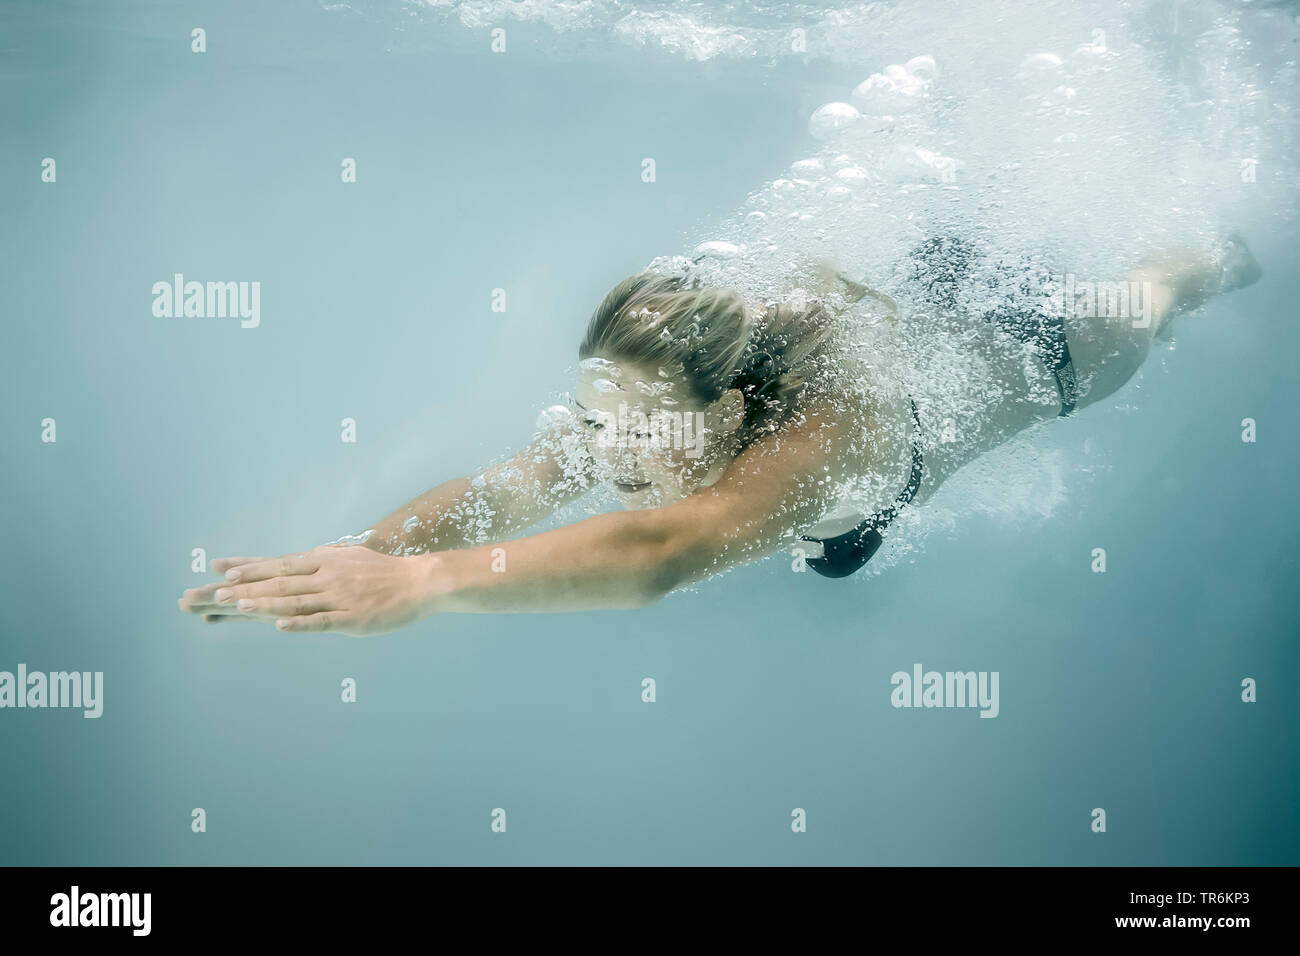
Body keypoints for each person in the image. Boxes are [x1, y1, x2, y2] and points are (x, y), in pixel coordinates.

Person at [177, 235, 1261, 634]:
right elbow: (496, 492)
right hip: (920, 301)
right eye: (603, 412)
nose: (617, 447)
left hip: (1044, 345)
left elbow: (662, 553)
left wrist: (424, 589)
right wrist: (368, 552)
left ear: (733, 410)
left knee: (1153, 294)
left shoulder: (819, 440)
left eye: (646, 422)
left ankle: (1216, 246)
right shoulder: (639, 419)